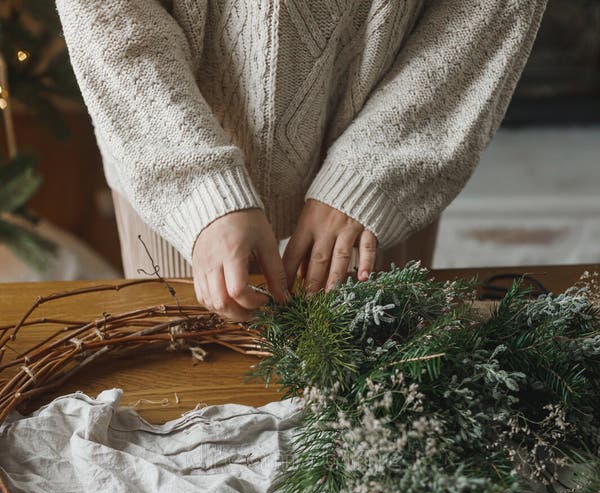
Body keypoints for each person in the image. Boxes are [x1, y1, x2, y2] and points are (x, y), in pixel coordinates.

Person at [56, 1, 546, 320]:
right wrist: (199, 188)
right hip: (170, 175)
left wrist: (367, 177)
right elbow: (108, 14)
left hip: (380, 192)